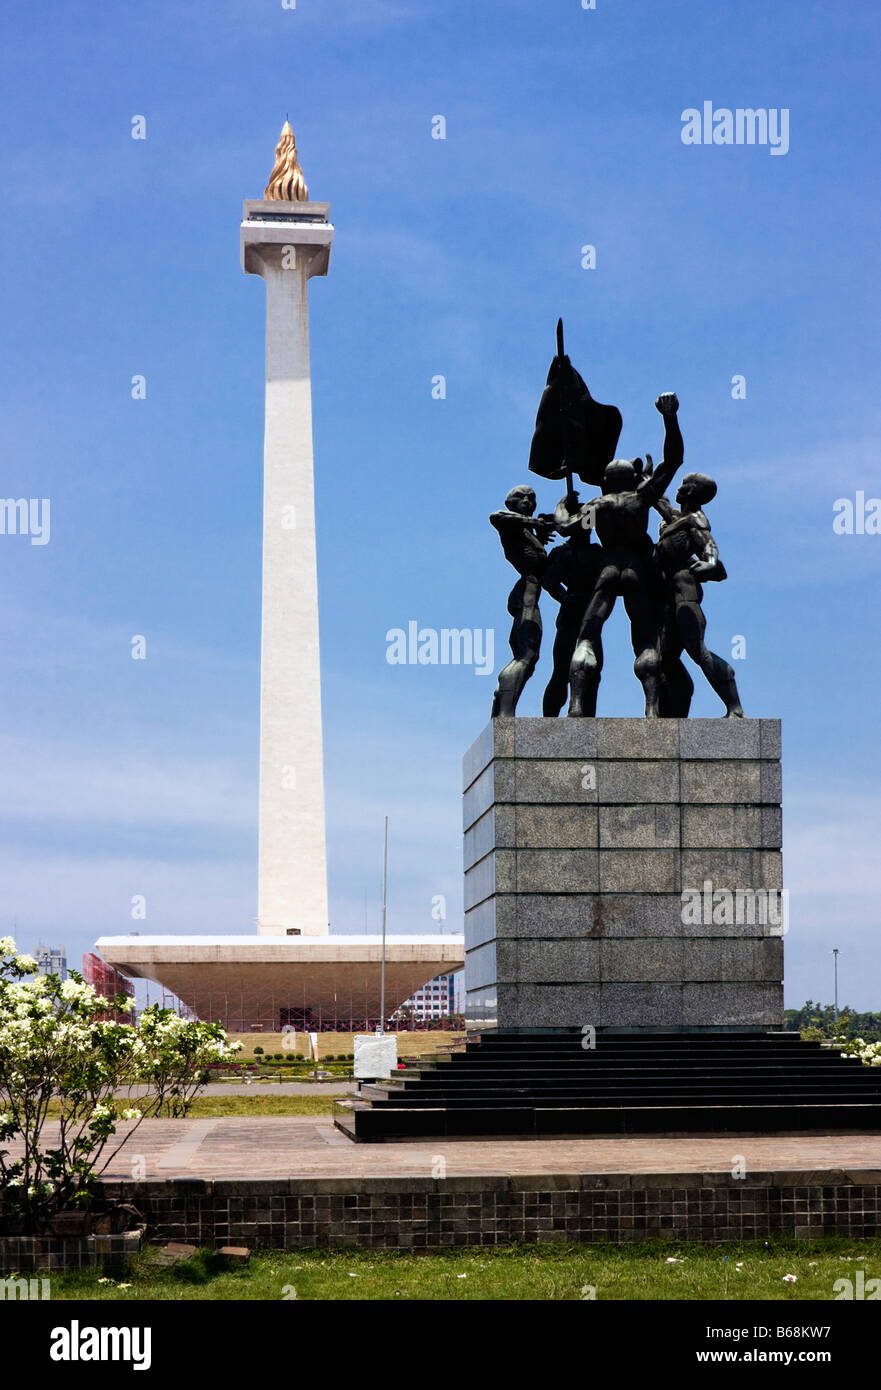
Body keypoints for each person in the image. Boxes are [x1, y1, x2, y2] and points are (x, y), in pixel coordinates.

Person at [564, 393, 684, 717]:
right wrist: (669, 418)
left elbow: (570, 528)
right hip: (636, 570)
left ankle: (575, 706)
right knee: (645, 639)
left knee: (587, 636)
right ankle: (651, 709)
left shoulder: (597, 505)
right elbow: (672, 461)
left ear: (604, 482)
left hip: (606, 570)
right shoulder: (641, 498)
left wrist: (565, 507)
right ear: (633, 478)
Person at [653, 472, 744, 717]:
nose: (679, 488)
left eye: (684, 485)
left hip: (685, 595)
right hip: (669, 598)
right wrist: (646, 476)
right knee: (665, 660)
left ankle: (734, 708)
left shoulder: (695, 519)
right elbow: (659, 501)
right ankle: (675, 713)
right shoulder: (678, 518)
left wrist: (710, 563)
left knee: (697, 650)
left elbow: (709, 546)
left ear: (692, 491)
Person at [489, 485, 555, 717]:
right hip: (526, 598)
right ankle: (505, 713)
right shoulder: (512, 526)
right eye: (520, 497)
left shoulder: (528, 533)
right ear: (510, 503)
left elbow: (548, 581)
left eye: (532, 498)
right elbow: (496, 516)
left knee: (526, 658)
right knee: (526, 656)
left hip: (531, 592)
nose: (527, 500)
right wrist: (534, 523)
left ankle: (500, 701)